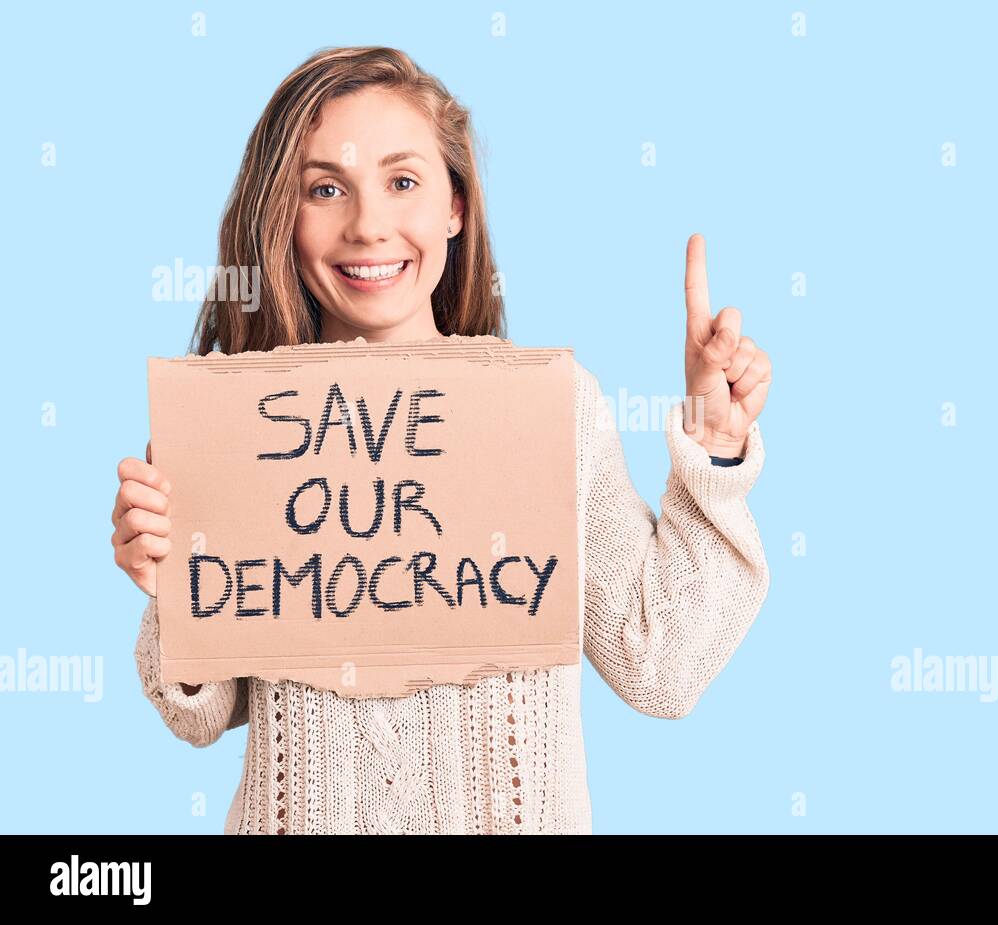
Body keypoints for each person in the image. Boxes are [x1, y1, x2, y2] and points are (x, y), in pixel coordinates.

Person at [110, 46, 772, 834]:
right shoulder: (237, 424)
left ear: (455, 203)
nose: (367, 225)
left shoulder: (550, 411)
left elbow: (661, 665)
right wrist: (169, 589)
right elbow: (201, 712)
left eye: (402, 181)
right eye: (326, 188)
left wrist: (716, 445)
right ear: (283, 213)